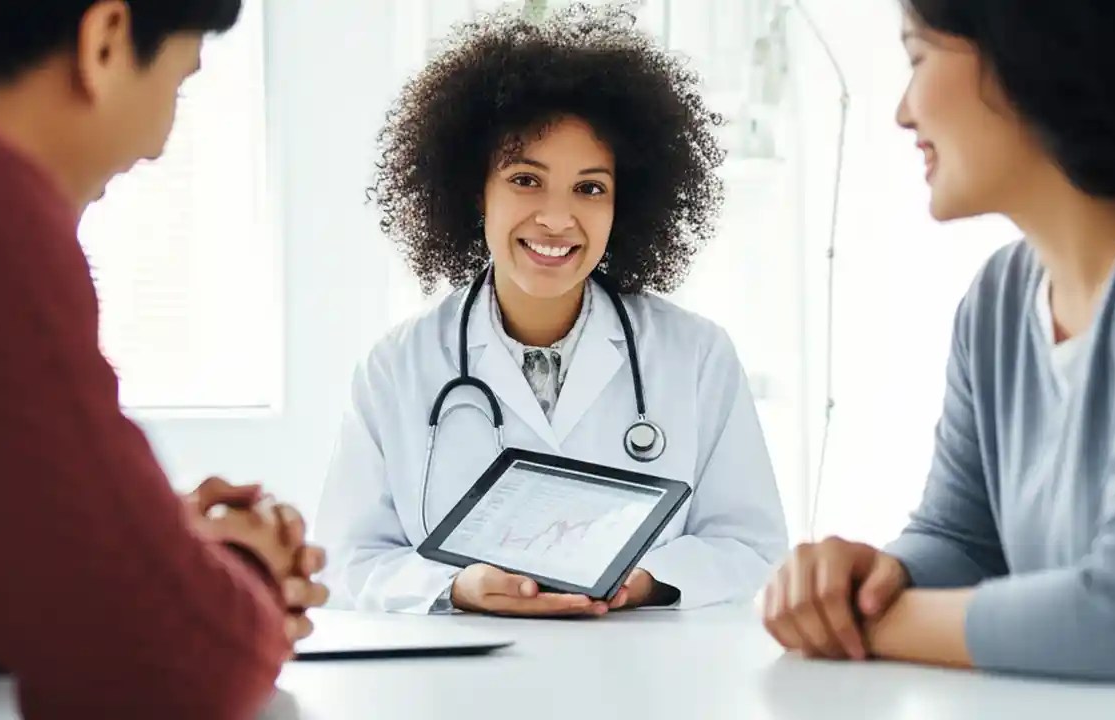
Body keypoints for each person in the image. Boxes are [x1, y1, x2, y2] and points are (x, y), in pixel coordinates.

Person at [761, 1, 1115, 718]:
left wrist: (870, 626)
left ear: (1032, 52)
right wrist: (870, 579)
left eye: (918, 58)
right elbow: (963, 541)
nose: (901, 112)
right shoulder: (999, 299)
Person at [314, 4, 788, 617]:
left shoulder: (695, 355)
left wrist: (644, 578)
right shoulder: (396, 368)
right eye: (525, 180)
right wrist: (455, 588)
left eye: (590, 188)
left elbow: (751, 546)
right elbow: (347, 561)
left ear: (626, 203)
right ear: (473, 188)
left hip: (642, 685)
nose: (558, 219)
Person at [0, 2, 327, 718]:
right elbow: (165, 667)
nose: (160, 145)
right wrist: (245, 572)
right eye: (178, 83)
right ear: (105, 42)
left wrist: (146, 545)